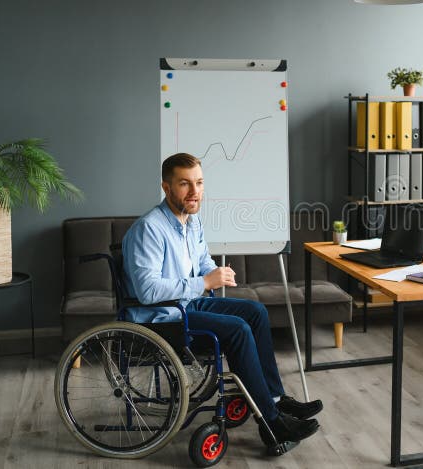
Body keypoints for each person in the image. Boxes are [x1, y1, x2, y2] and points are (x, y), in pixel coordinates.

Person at [122, 152, 322, 447]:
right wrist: (204, 282)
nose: (195, 191)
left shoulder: (191, 222)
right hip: (160, 318)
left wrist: (216, 272)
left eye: (199, 183)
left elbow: (202, 260)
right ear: (166, 187)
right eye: (185, 184)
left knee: (255, 312)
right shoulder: (149, 228)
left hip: (185, 304)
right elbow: (147, 291)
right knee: (237, 330)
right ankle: (272, 423)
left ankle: (275, 399)